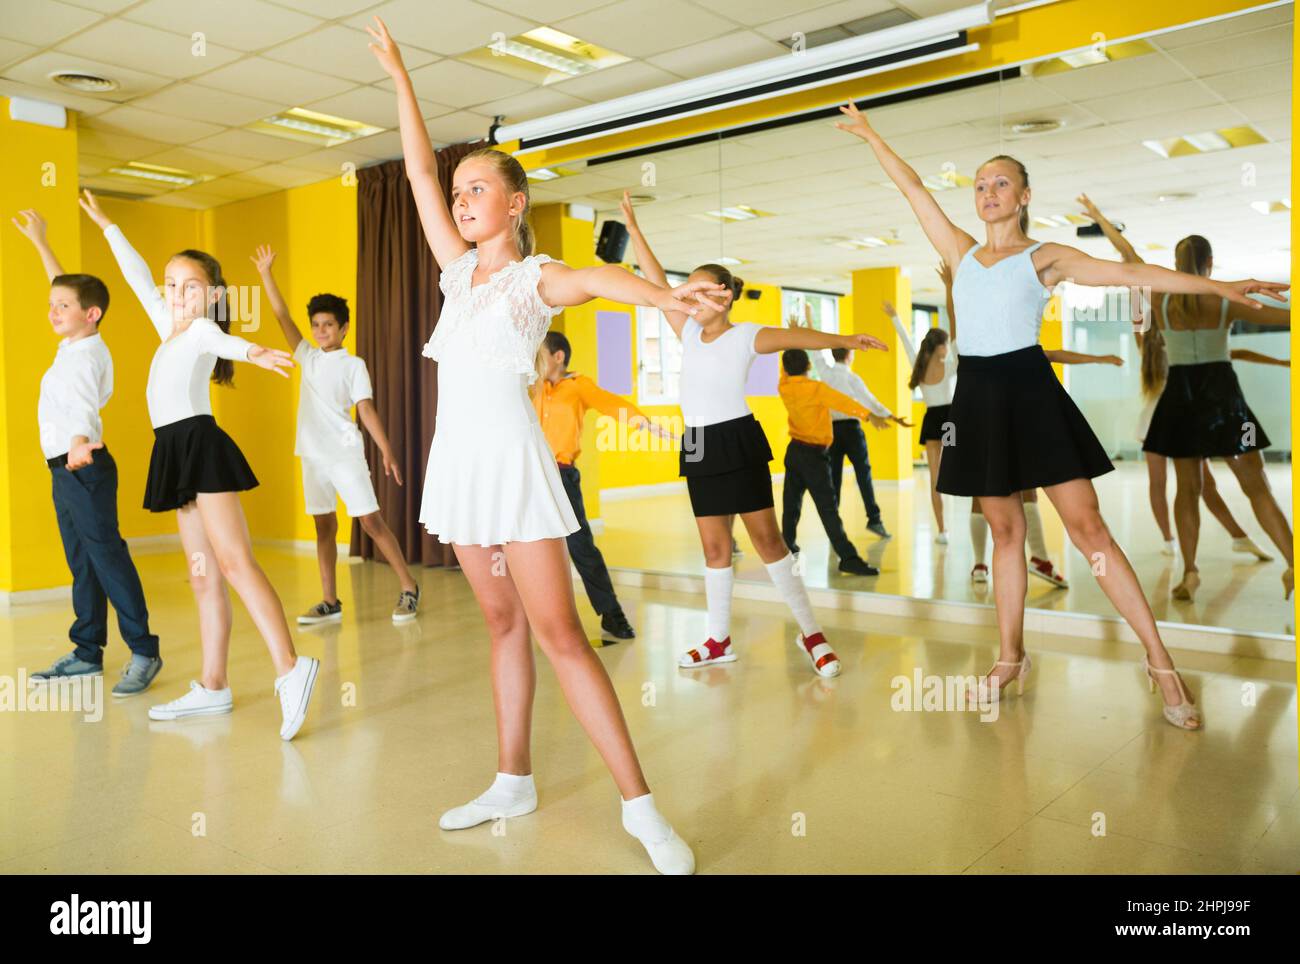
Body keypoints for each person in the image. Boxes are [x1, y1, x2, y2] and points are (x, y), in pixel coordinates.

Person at [369, 16, 724, 873]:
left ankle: (641, 809)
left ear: (515, 203)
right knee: (499, 626)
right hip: (459, 469)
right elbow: (417, 169)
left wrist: (666, 297)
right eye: (458, 196)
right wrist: (400, 74)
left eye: (477, 190)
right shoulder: (456, 270)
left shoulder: (536, 279)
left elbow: (602, 281)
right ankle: (512, 777)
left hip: (517, 471)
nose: (460, 202)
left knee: (559, 634)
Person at [837, 100, 1284, 728]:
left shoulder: (1042, 257)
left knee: (1089, 531)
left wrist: (1222, 287)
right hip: (979, 398)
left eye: (1001, 183)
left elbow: (1129, 270)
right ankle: (1009, 657)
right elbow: (911, 187)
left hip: (1030, 389)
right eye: (981, 184)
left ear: (1023, 195)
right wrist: (870, 134)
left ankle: (1161, 662)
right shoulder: (961, 253)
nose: (989, 192)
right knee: (1005, 533)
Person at [81, 189, 321, 740]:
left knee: (235, 562)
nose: (176, 294)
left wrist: (256, 352)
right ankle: (213, 685)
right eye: (173, 286)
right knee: (202, 575)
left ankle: (291, 667)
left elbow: (229, 342)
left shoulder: (203, 329)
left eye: (190, 287)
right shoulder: (165, 320)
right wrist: (109, 226)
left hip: (199, 445)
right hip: (173, 450)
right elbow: (138, 276)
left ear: (211, 294)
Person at [620, 191, 889, 679]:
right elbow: (656, 282)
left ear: (725, 294)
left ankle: (811, 633)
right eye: (690, 293)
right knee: (715, 549)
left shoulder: (745, 336)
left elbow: (795, 338)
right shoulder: (684, 332)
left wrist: (845, 339)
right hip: (698, 444)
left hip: (736, 439)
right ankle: (718, 638)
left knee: (768, 541)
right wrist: (636, 232)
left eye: (703, 291)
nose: (691, 299)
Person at [12, 209, 162, 696]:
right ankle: (86, 650)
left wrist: (78, 446)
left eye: (62, 306)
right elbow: (62, 283)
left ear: (90, 313)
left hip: (82, 466)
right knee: (83, 561)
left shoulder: (85, 356)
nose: (52, 310)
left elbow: (81, 411)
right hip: (66, 470)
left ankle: (144, 651)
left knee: (108, 558)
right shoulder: (76, 342)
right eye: (52, 304)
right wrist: (40, 239)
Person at [251, 245, 422, 625]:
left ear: (344, 328)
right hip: (313, 456)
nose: (320, 331)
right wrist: (266, 274)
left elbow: (365, 409)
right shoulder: (307, 357)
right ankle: (330, 600)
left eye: (328, 325)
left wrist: (387, 451)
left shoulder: (353, 364)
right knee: (323, 526)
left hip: (345, 454)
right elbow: (281, 315)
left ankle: (409, 587)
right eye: (316, 325)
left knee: (370, 523)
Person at [534, 329, 662, 641]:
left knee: (581, 546)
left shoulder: (577, 386)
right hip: (530, 475)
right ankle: (536, 619)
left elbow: (609, 403)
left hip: (561, 476)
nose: (534, 361)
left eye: (540, 355)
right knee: (529, 548)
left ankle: (612, 614)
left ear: (558, 357)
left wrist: (637, 419)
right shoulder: (531, 386)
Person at [790, 304, 909, 538]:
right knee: (863, 474)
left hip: (832, 432)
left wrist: (809, 322)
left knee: (833, 478)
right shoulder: (852, 378)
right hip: (852, 431)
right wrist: (892, 416)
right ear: (849, 354)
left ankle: (835, 525)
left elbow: (814, 350)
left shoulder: (824, 371)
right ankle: (874, 519)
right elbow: (870, 400)